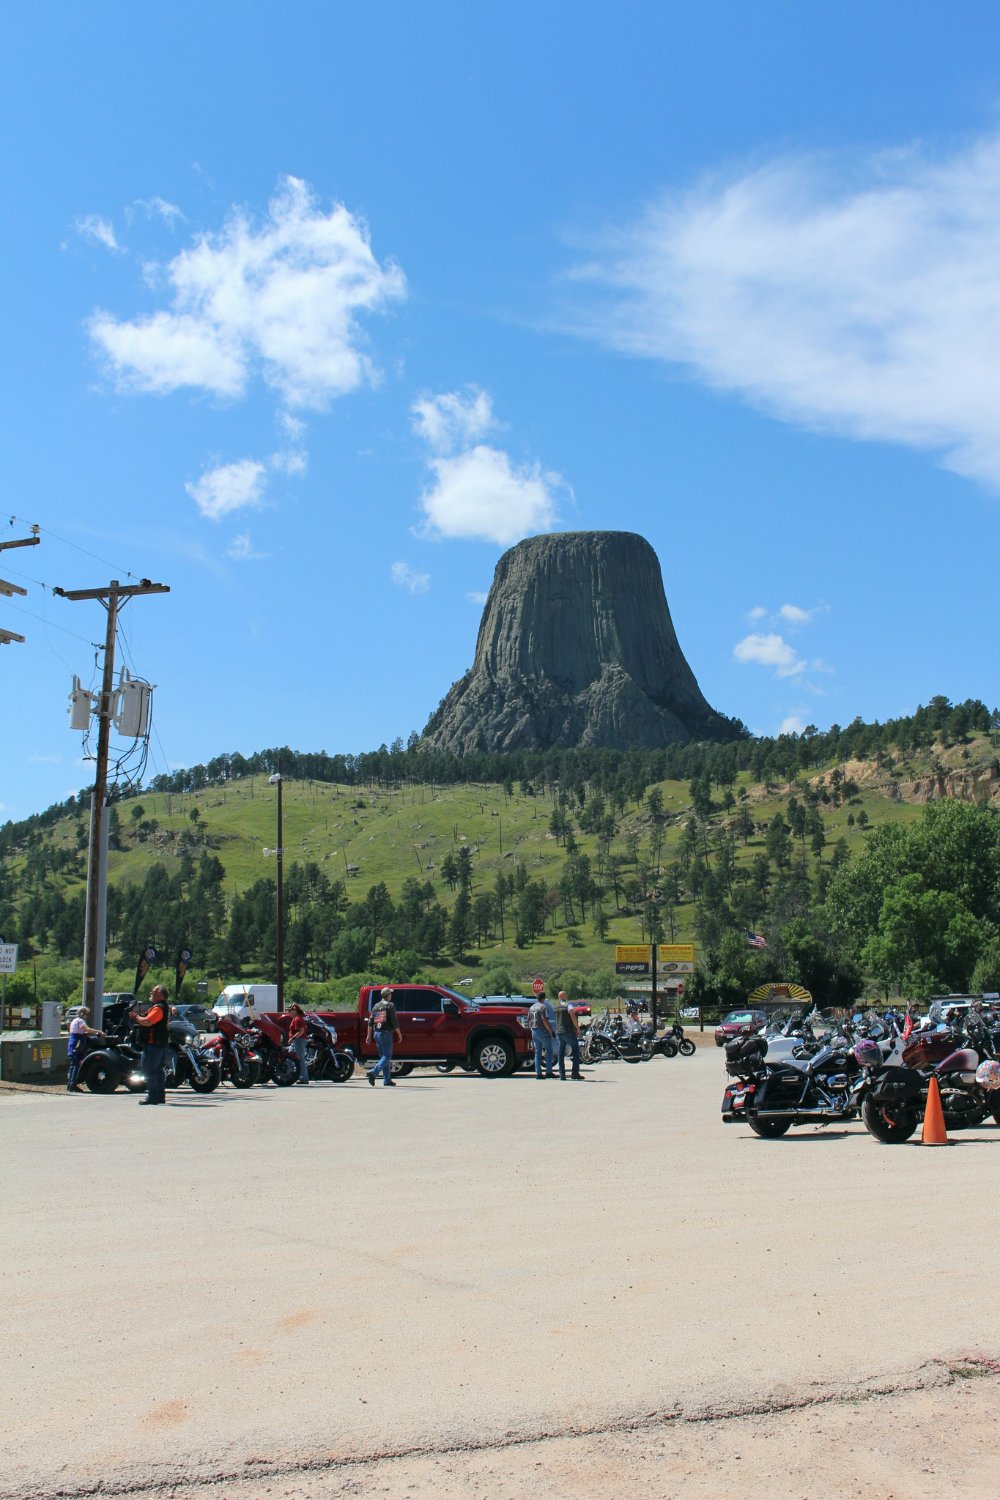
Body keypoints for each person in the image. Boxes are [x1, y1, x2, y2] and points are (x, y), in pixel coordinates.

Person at [130, 985, 170, 1106]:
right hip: (160, 1044)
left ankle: (152, 1097)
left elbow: (148, 1021)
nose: (150, 993)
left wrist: (136, 1017)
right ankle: (159, 1096)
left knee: (149, 1071)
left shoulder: (159, 1008)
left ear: (159, 994)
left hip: (154, 1044)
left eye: (153, 991)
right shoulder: (165, 1007)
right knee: (158, 1071)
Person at [367, 986, 402, 1087]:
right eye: (390, 994)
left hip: (376, 1033)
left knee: (383, 1057)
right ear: (387, 995)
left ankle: (387, 1080)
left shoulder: (376, 1006)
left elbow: (370, 1022)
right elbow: (394, 1021)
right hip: (386, 1033)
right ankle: (373, 1072)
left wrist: (369, 1036)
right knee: (387, 1056)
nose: (391, 995)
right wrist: (399, 1034)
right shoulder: (390, 1005)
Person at [66, 1006, 101, 1092]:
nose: (88, 1016)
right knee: (76, 1065)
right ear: (83, 1014)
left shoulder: (74, 1021)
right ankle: (73, 1084)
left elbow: (81, 1031)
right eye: (87, 1014)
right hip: (77, 1044)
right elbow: (87, 1029)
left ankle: (70, 1084)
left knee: (73, 1065)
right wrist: (98, 1032)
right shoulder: (80, 1021)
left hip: (72, 1043)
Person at [555, 990, 583, 1081]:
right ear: (565, 996)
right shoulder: (569, 1005)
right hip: (568, 1031)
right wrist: (577, 1028)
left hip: (559, 1032)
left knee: (561, 1053)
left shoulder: (555, 1007)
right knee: (575, 1051)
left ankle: (562, 1074)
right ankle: (575, 1073)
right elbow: (572, 1016)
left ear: (559, 997)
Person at [528, 991, 555, 1079]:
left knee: (537, 1052)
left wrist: (531, 1030)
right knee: (549, 1051)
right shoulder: (543, 1007)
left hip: (534, 1031)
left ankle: (538, 1073)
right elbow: (544, 1020)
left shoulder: (531, 1007)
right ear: (544, 998)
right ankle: (548, 1072)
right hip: (542, 1031)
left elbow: (529, 1020)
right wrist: (551, 1031)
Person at [287, 1003, 310, 1084]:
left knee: (300, 1059)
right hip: (297, 1040)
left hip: (299, 1040)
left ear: (294, 1011)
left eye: (289, 1010)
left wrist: (292, 1038)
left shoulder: (297, 1019)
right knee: (290, 1056)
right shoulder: (296, 1018)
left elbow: (301, 1031)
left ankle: (304, 1078)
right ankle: (290, 1075)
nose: (288, 1012)